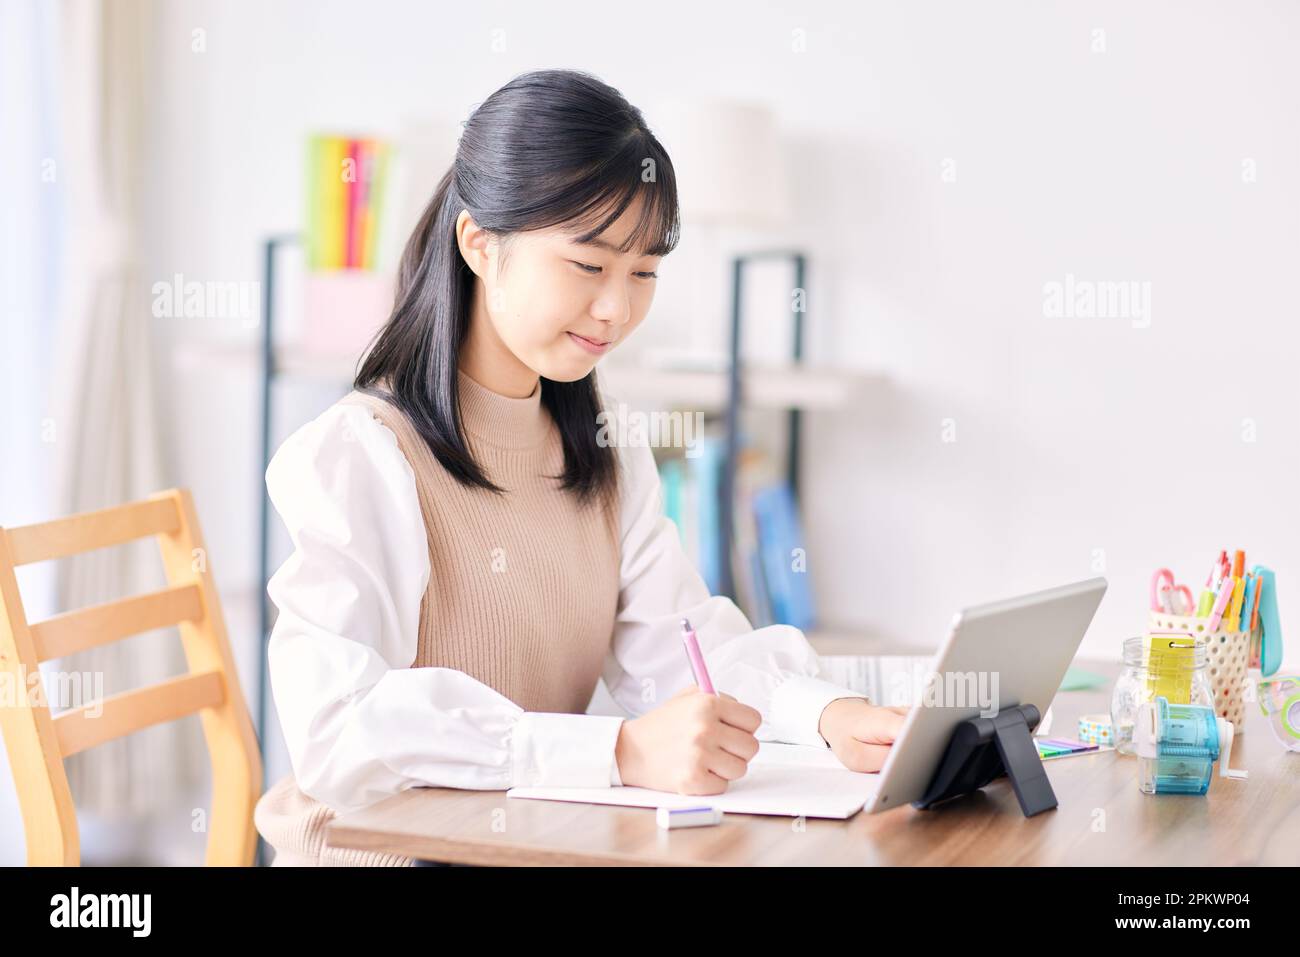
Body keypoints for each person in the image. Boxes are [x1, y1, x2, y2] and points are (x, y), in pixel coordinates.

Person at [254, 69, 906, 866]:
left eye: (643, 274)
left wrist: (827, 713)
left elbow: (683, 646)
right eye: (589, 266)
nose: (617, 309)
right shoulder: (362, 457)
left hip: (530, 850)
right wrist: (618, 752)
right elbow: (339, 725)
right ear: (479, 245)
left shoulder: (603, 448)